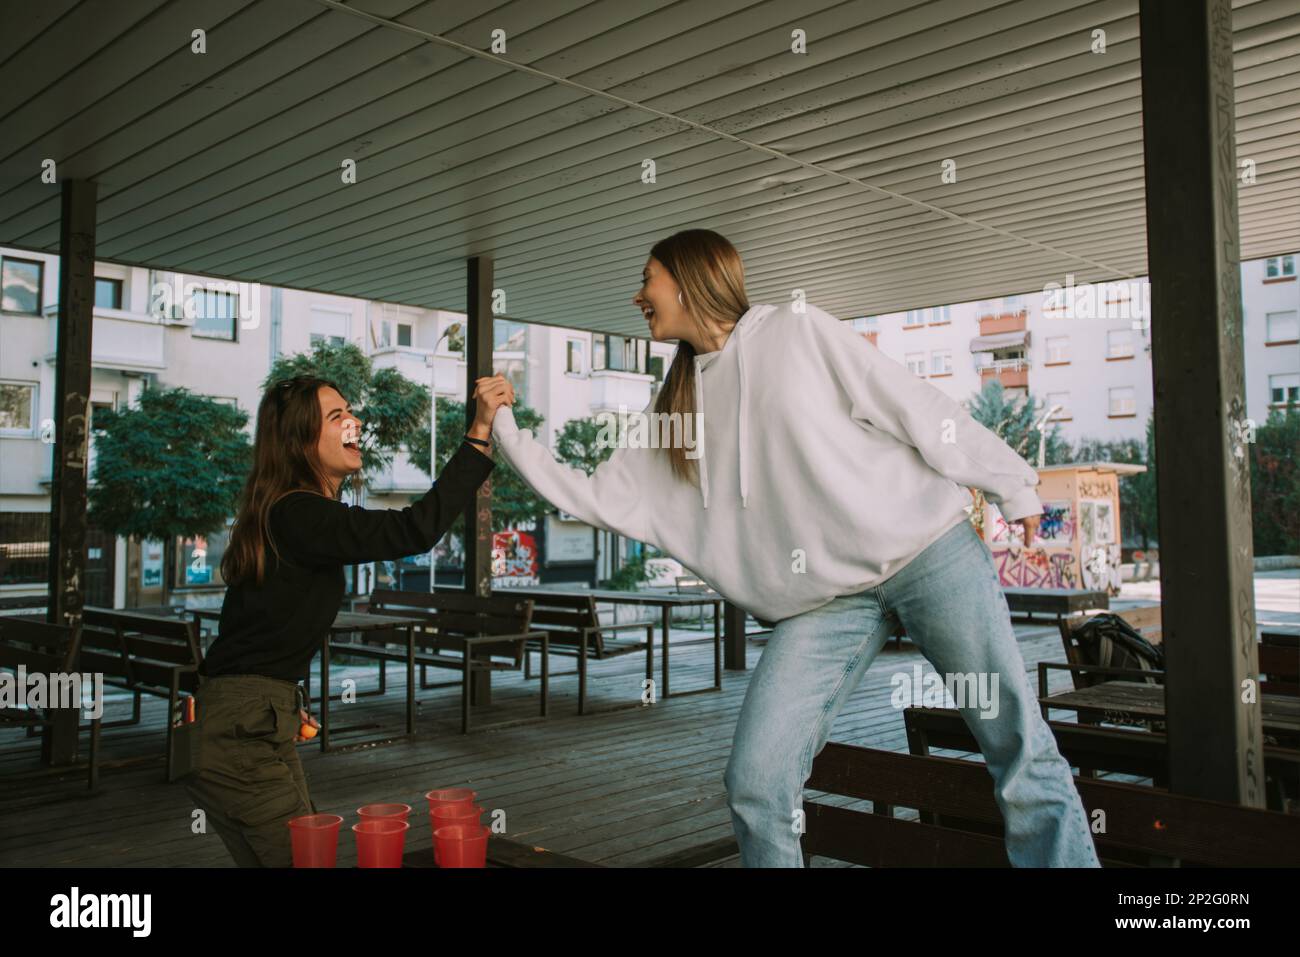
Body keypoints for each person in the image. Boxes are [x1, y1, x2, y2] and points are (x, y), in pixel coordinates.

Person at [489, 228, 1100, 867]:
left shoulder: (796, 332)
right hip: (827, 605)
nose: (638, 294)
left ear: (691, 277)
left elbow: (911, 402)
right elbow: (593, 495)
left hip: (927, 553)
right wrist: (506, 427)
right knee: (756, 781)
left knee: (1016, 746)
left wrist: (1012, 483)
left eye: (649, 277)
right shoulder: (676, 407)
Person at [185, 372, 513, 867]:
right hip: (242, 734)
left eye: (349, 411)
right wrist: (480, 428)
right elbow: (416, 529)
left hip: (249, 721)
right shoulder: (298, 513)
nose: (353, 421)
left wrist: (281, 701)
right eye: (335, 416)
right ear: (299, 441)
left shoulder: (288, 512)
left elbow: (253, 630)